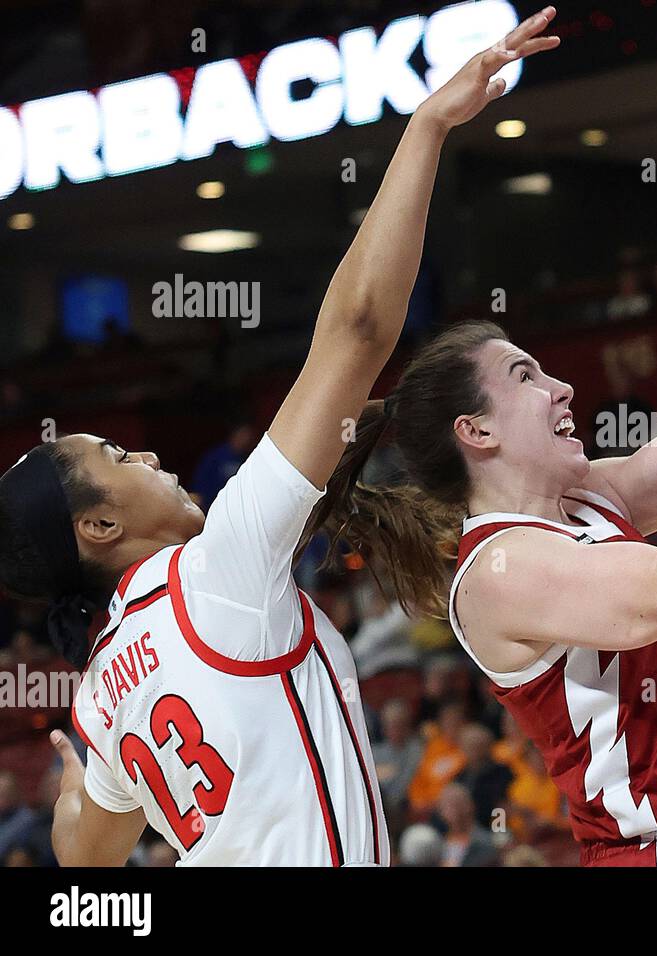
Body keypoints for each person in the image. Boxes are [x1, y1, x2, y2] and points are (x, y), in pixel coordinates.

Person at [0, 10, 562, 866]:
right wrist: (426, 126)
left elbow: (83, 854)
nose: (146, 455)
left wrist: (77, 777)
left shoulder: (102, 697)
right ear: (98, 529)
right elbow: (361, 329)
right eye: (116, 459)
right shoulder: (214, 571)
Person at [296, 144, 657, 866]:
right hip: (649, 851)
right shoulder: (500, 570)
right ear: (478, 431)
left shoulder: (587, 495)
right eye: (526, 376)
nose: (561, 387)